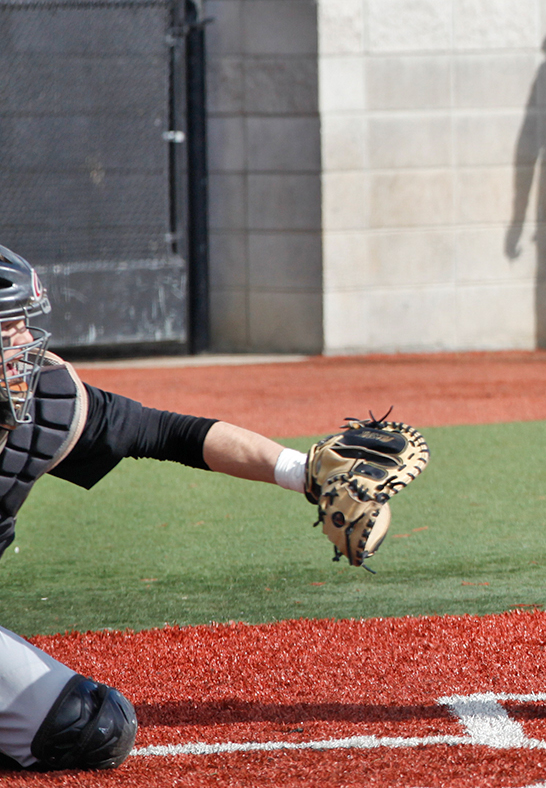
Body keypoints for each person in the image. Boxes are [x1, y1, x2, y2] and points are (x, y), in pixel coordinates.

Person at [0, 246, 314, 772]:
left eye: (24, 325)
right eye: (10, 327)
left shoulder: (42, 405)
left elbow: (166, 432)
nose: (27, 343)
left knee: (91, 726)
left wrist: (303, 471)